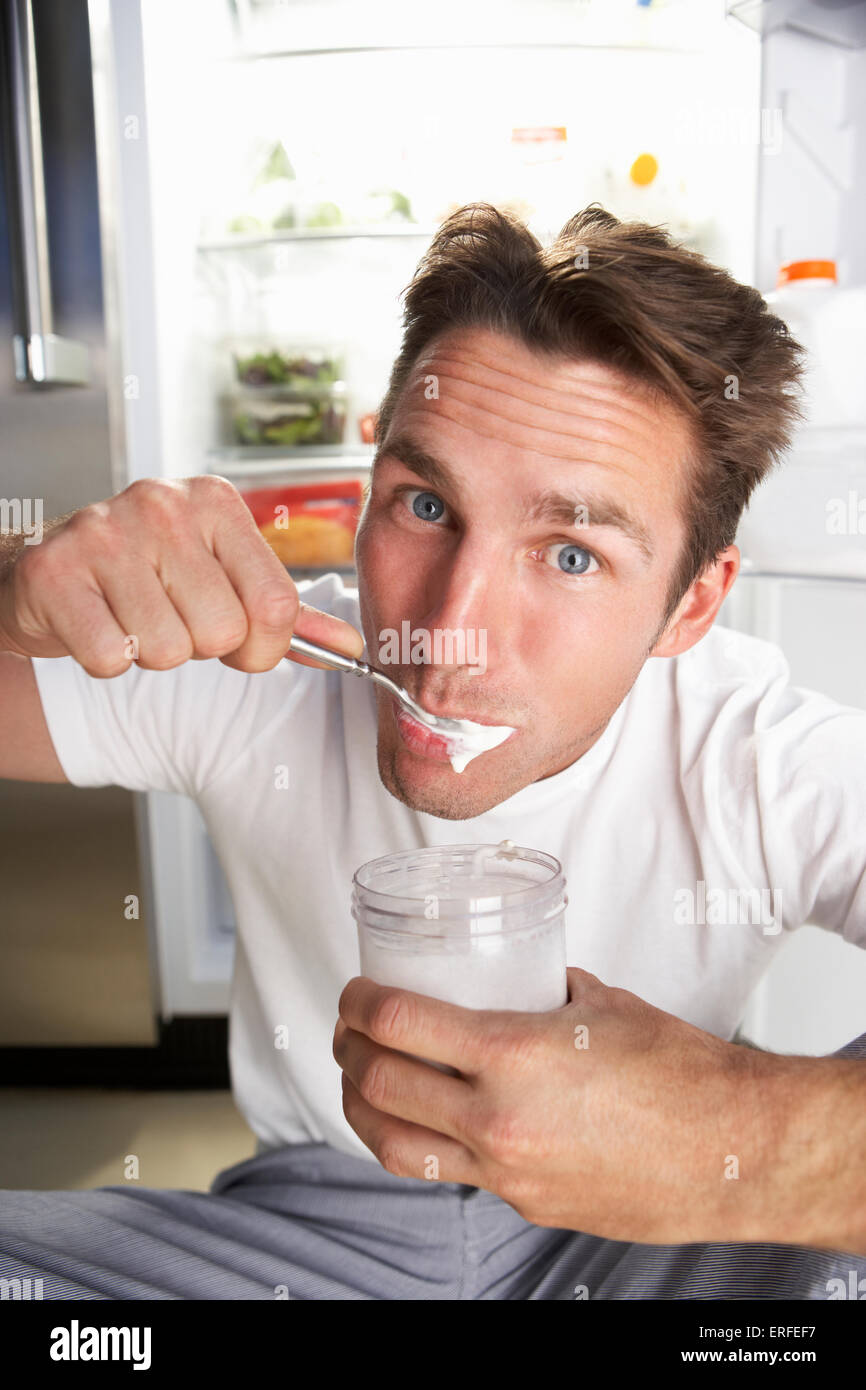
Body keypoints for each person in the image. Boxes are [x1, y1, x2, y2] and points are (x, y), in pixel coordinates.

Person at [1, 203, 864, 1301]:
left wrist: (736, 1136)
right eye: (423, 503)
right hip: (308, 1237)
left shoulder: (760, 757)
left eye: (568, 552)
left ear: (691, 606)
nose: (451, 628)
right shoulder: (261, 660)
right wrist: (19, 580)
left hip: (663, 1230)